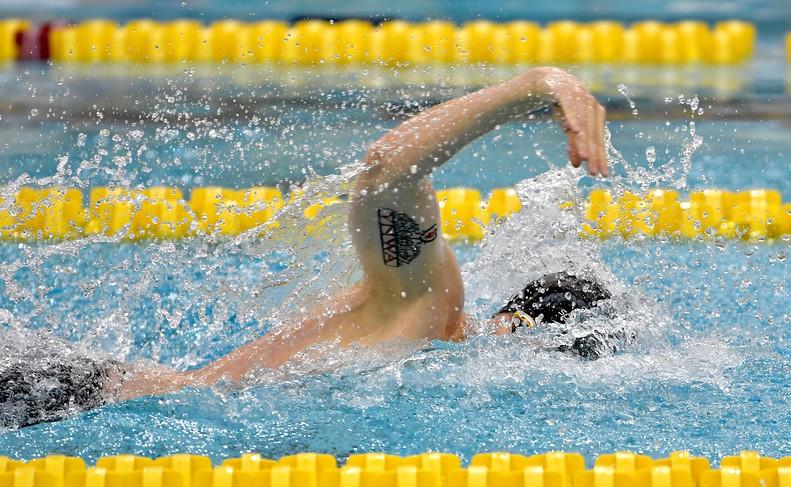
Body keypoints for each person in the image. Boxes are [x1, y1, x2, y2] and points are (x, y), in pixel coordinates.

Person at [0, 66, 609, 427]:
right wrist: (532, 88)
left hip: (88, 388)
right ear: (523, 331)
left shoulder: (424, 328)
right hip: (74, 394)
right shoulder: (429, 310)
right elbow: (388, 171)